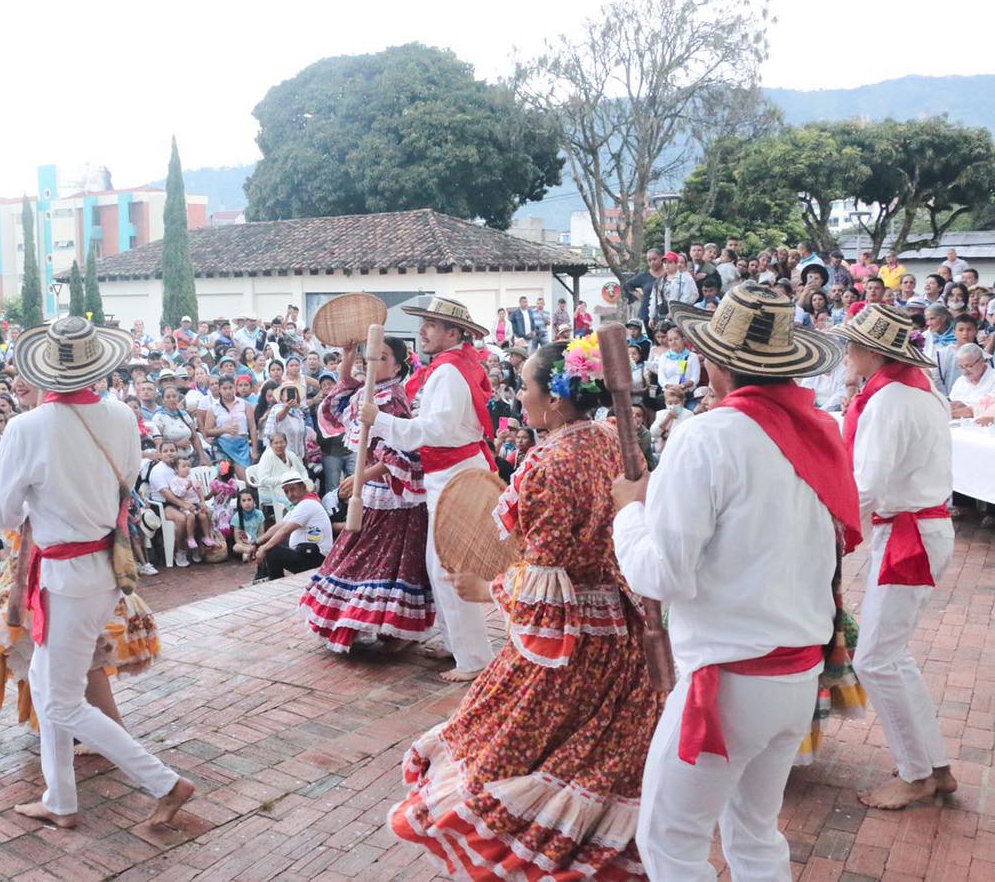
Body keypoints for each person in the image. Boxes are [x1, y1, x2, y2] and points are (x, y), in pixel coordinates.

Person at [390, 337, 663, 880]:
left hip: (566, 646)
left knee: (513, 748)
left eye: (526, 387)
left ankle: (533, 852)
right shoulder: (615, 440)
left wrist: (489, 585)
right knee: (600, 752)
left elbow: (542, 577)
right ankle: (595, 843)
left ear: (556, 401)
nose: (519, 398)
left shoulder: (547, 461)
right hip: (623, 630)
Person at [611, 282, 858, 878]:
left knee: (671, 841)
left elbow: (664, 573)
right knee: (754, 834)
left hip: (729, 682)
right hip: (797, 675)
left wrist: (628, 512)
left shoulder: (708, 435)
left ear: (718, 363)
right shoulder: (819, 429)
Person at [0, 316, 194, 830]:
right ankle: (60, 799)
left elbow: (1, 516)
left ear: (43, 371)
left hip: (65, 577)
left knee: (62, 700)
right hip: (105, 566)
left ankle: (164, 781)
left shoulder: (27, 426)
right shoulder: (121, 415)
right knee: (45, 680)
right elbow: (126, 484)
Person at [833, 302, 959, 809]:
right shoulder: (918, 393)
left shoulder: (889, 401)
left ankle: (917, 774)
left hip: (909, 535)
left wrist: (831, 534)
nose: (847, 355)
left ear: (869, 352)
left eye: (851, 347)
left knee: (877, 659)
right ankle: (935, 766)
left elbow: (868, 485)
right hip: (917, 530)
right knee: (892, 655)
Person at [360, 296, 495, 682]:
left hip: (455, 475)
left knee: (450, 567)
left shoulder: (451, 371)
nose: (423, 331)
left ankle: (473, 658)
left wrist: (381, 421)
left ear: (452, 333)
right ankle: (458, 646)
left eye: (431, 326)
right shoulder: (450, 367)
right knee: (440, 568)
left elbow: (435, 431)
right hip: (448, 474)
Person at [300, 335, 431, 653]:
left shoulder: (393, 398)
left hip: (395, 497)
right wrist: (347, 355)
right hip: (371, 492)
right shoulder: (368, 392)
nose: (372, 362)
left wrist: (360, 479)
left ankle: (394, 630)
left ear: (398, 366)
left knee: (388, 562)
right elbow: (339, 399)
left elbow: (403, 456)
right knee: (359, 556)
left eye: (382, 357)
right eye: (370, 356)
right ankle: (357, 619)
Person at [251, 472, 332, 581]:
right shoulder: (300, 505)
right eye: (286, 491)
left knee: (272, 551)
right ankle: (264, 577)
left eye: (292, 489)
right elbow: (278, 527)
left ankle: (274, 583)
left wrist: (264, 548)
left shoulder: (307, 504)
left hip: (316, 558)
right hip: (306, 553)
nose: (290, 494)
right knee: (270, 544)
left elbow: (285, 531)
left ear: (303, 487)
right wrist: (257, 543)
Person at [949, 343, 995, 419]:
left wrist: (966, 408)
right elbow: (953, 402)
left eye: (969, 366)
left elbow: (988, 410)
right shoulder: (960, 381)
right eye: (961, 367)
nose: (965, 371)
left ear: (982, 361)